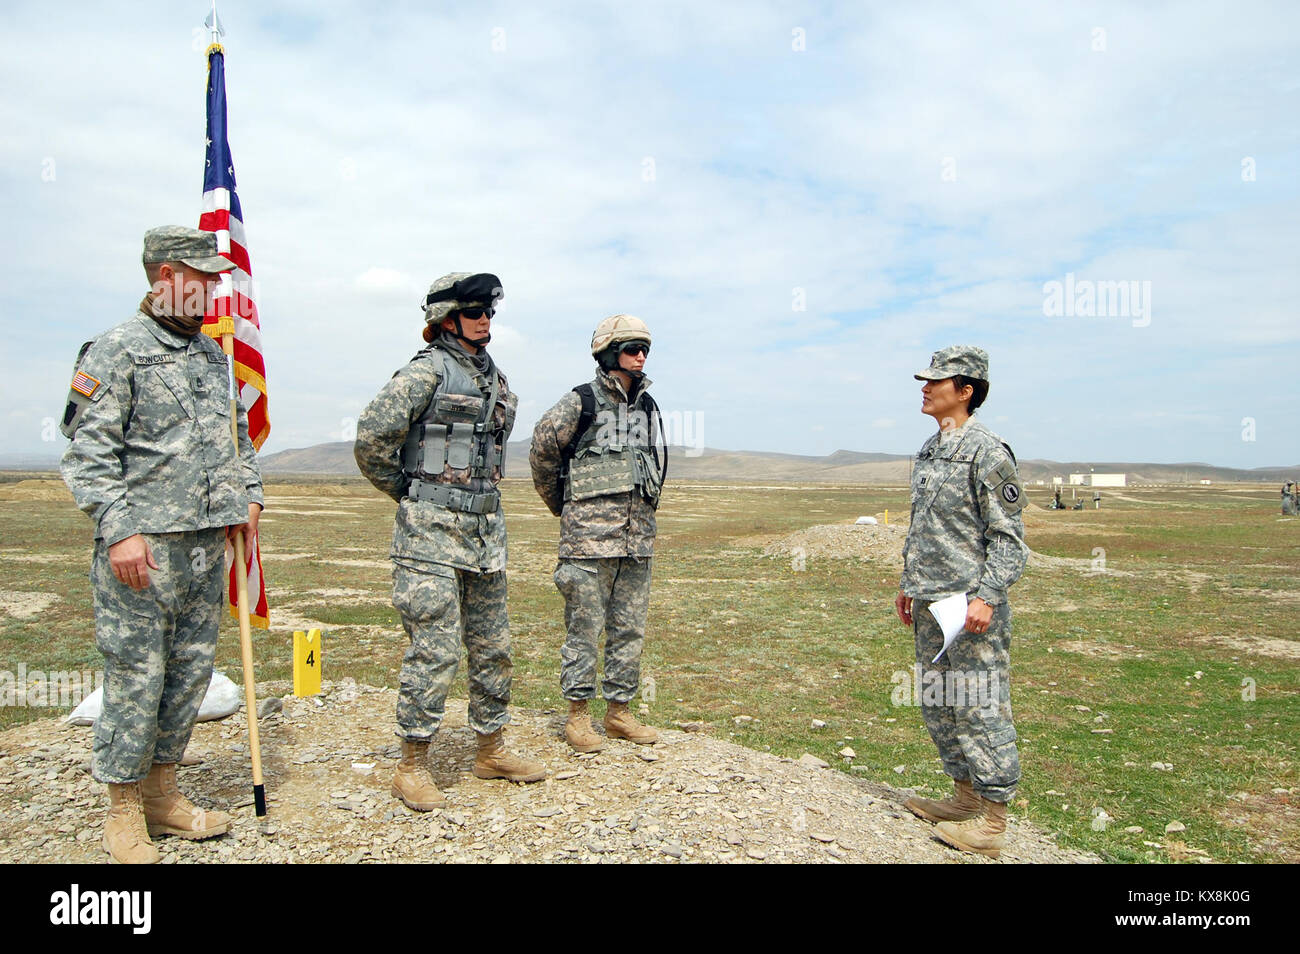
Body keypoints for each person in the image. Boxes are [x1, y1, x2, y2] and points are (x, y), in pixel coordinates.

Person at [60, 225, 263, 864]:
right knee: (137, 673)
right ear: (163, 276)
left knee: (188, 673)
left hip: (206, 543)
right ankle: (122, 809)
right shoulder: (116, 350)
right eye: (200, 279)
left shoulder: (211, 356)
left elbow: (237, 438)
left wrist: (249, 495)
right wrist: (118, 530)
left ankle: (161, 794)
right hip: (141, 548)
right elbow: (88, 452)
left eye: (213, 280)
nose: (210, 290)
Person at [354, 272, 545, 811]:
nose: (485, 317)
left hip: (486, 536)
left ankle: (491, 749)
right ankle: (412, 765)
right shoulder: (424, 374)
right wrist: (412, 496)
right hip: (429, 538)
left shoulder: (496, 379)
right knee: (435, 650)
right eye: (474, 308)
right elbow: (372, 440)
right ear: (446, 317)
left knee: (493, 648)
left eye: (490, 309)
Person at [894, 345, 1027, 858]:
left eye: (936, 381)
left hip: (969, 603)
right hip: (929, 599)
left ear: (966, 390)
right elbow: (926, 526)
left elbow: (1009, 538)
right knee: (937, 700)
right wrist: (910, 582)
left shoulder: (988, 451)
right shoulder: (930, 448)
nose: (925, 389)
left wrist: (988, 596)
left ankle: (993, 822)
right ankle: (963, 796)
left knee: (978, 702)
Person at [529, 315, 665, 752]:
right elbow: (543, 450)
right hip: (587, 544)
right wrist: (564, 508)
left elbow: (655, 466)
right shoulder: (580, 403)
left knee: (629, 630)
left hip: (636, 543)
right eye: (631, 348)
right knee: (584, 630)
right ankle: (577, 718)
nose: (640, 356)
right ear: (609, 354)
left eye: (645, 348)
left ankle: (619, 712)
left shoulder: (648, 407)